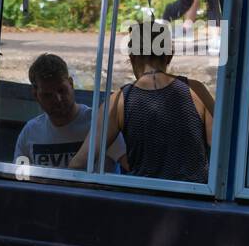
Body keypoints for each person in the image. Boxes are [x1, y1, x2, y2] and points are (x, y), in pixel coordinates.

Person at [71, 20, 213, 183]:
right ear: (169, 55)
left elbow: (80, 161)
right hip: (194, 197)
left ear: (131, 57)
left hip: (144, 198)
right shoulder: (195, 91)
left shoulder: (118, 101)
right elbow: (220, 144)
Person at [14, 53, 126, 171]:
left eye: (62, 90)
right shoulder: (30, 132)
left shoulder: (100, 124)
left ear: (71, 84)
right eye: (48, 95)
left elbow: (130, 165)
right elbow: (19, 177)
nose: (58, 99)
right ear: (36, 95)